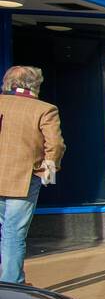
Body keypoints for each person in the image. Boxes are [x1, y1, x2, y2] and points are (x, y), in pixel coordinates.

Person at [0, 66, 65, 284]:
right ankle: (12, 283)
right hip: (23, 179)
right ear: (35, 85)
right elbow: (55, 145)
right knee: (13, 233)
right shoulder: (44, 109)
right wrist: (48, 171)